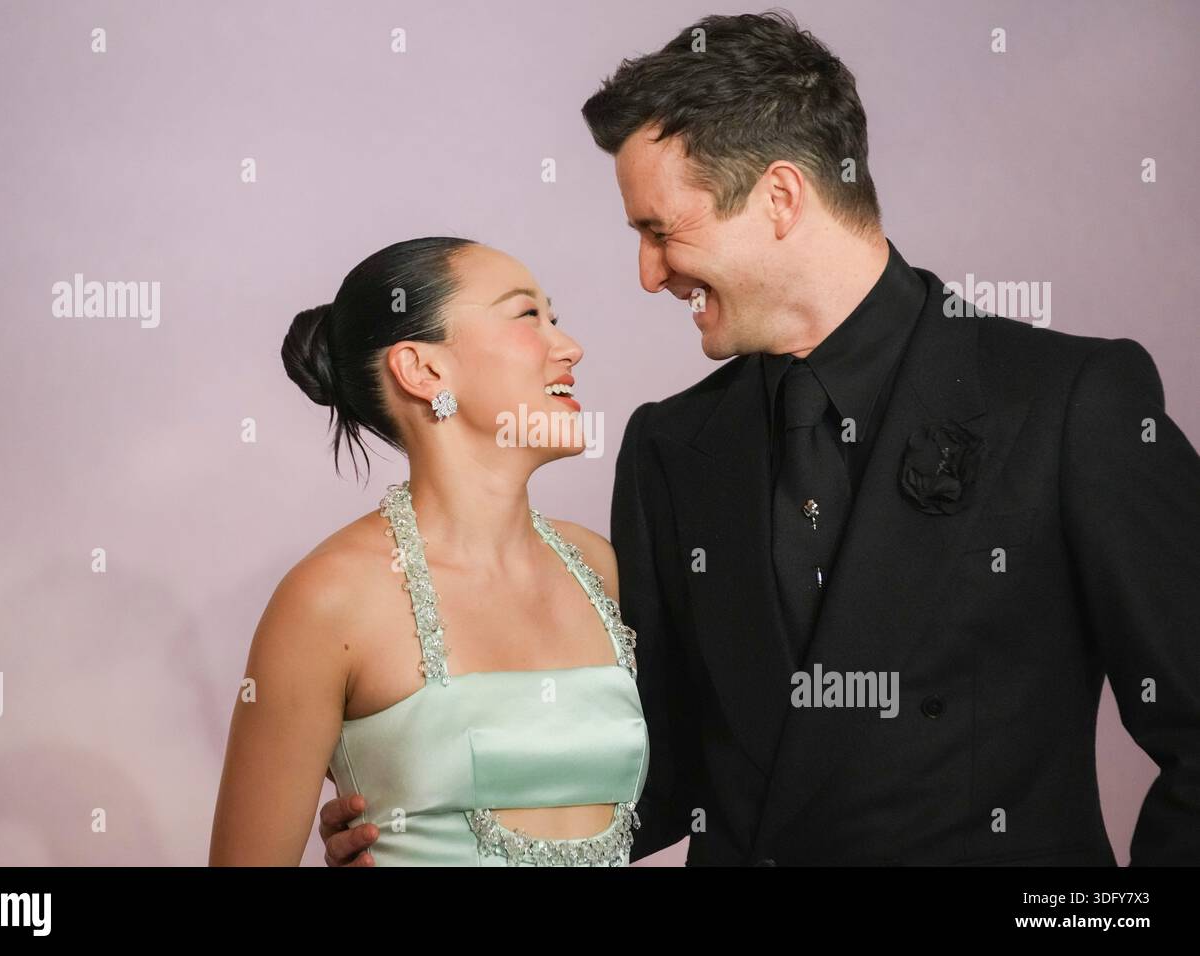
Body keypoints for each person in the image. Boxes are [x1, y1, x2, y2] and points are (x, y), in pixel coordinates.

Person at [322, 11, 1200, 867]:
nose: (649, 274)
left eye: (661, 231)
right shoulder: (670, 444)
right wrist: (433, 829)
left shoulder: (1070, 400)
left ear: (780, 197)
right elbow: (653, 773)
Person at [209, 237, 649, 865]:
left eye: (556, 317)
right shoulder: (329, 600)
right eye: (528, 316)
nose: (569, 347)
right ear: (423, 370)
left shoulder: (596, 567)